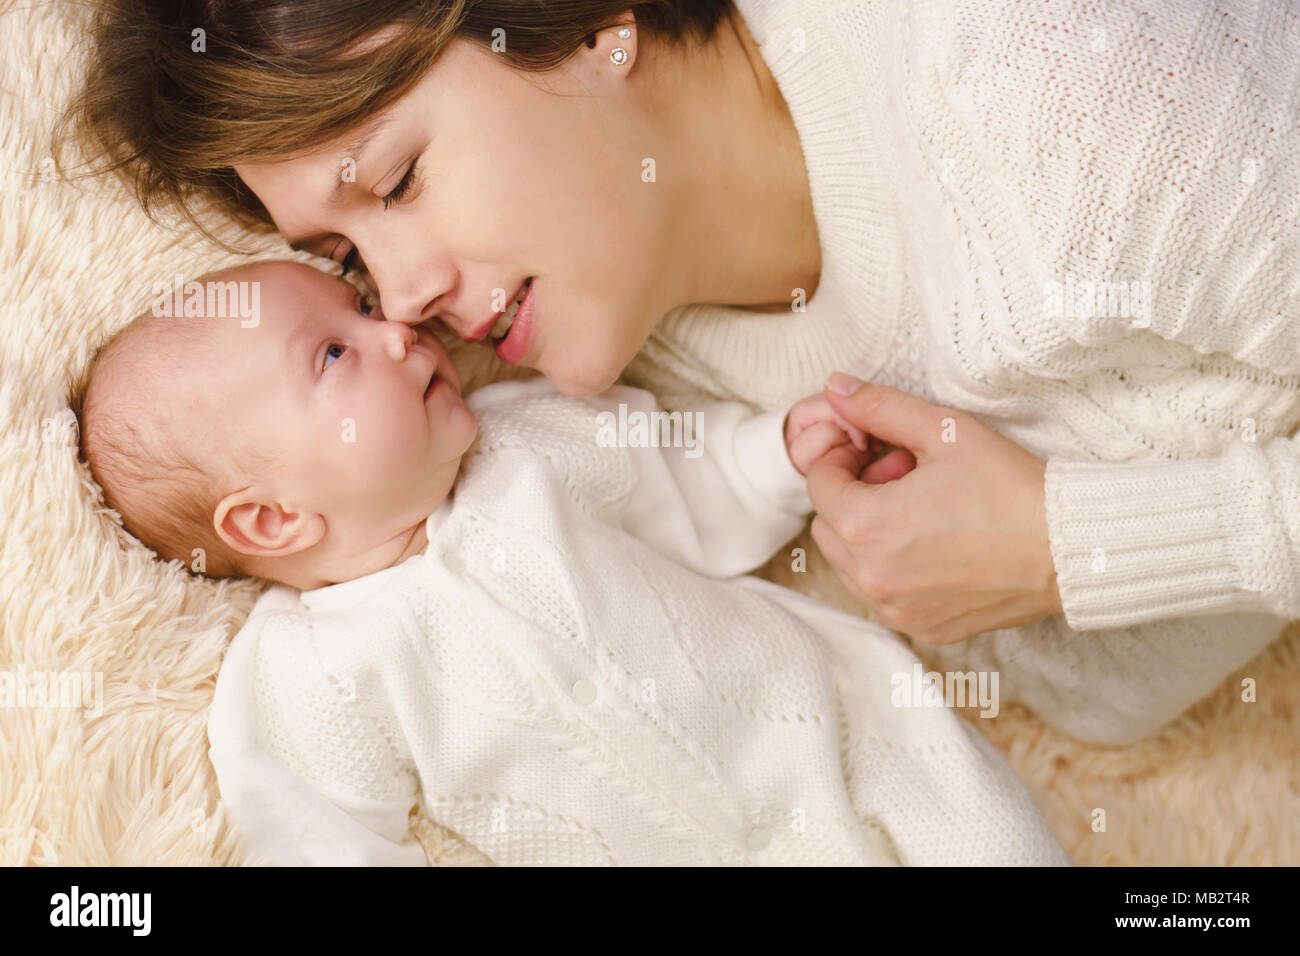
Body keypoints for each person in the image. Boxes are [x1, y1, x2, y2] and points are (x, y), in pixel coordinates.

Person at [65, 0, 1300, 745]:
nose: (399, 305)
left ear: (598, 24)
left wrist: (1065, 541)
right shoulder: (616, 373)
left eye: (394, 181)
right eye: (341, 255)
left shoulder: (1053, 99)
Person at [72, 259, 1069, 866]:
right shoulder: (310, 668)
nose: (391, 328)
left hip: (852, 737)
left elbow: (685, 479)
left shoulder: (525, 445)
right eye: (333, 353)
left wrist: (783, 452)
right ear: (271, 518)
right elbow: (320, 836)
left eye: (359, 305)